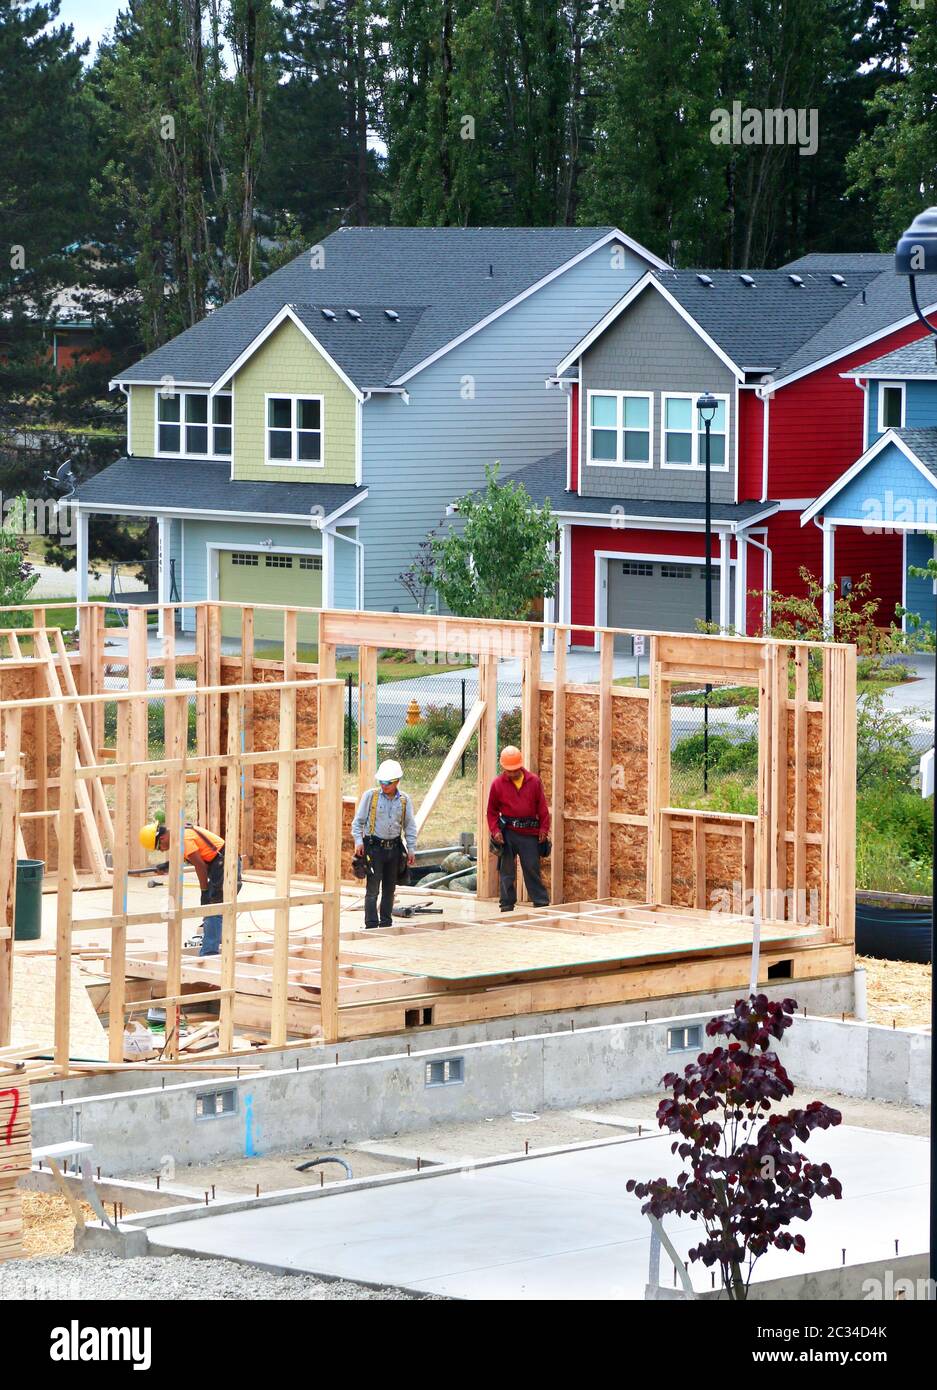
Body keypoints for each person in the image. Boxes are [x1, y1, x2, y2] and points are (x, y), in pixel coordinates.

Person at [138, 820, 241, 957]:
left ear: (162, 838)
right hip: (221, 864)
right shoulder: (179, 835)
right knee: (216, 907)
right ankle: (219, 944)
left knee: (212, 907)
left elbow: (200, 866)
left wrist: (204, 891)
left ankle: (209, 952)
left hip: (225, 864)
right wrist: (167, 865)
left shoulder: (184, 838)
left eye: (159, 847)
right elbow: (190, 856)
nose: (162, 850)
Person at [351, 759, 418, 928]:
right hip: (374, 849)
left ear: (397, 781)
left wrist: (411, 849)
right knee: (373, 889)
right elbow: (358, 822)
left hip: (394, 849)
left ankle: (386, 923)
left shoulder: (404, 800)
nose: (383, 785)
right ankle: (371, 925)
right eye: (381, 781)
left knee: (389, 889)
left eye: (387, 782)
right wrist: (358, 841)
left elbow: (409, 826)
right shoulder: (370, 797)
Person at [487, 745, 551, 912]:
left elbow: (542, 808)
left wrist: (544, 829)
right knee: (506, 871)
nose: (513, 773)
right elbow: (491, 812)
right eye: (509, 770)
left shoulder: (534, 781)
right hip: (507, 833)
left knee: (531, 868)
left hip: (529, 833)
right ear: (503, 767)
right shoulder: (497, 784)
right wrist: (495, 831)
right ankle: (506, 905)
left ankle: (541, 904)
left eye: (515, 769)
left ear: (520, 765)